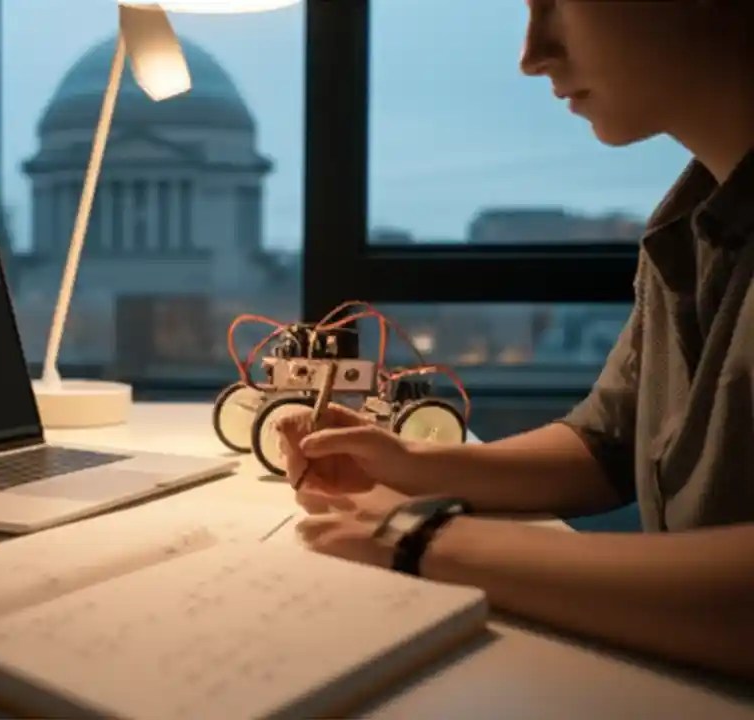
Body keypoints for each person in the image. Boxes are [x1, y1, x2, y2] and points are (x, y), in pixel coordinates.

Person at [277, 0, 754, 683]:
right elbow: (608, 445)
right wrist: (411, 464)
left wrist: (431, 541)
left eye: (555, 1)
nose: (533, 55)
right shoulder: (685, 226)